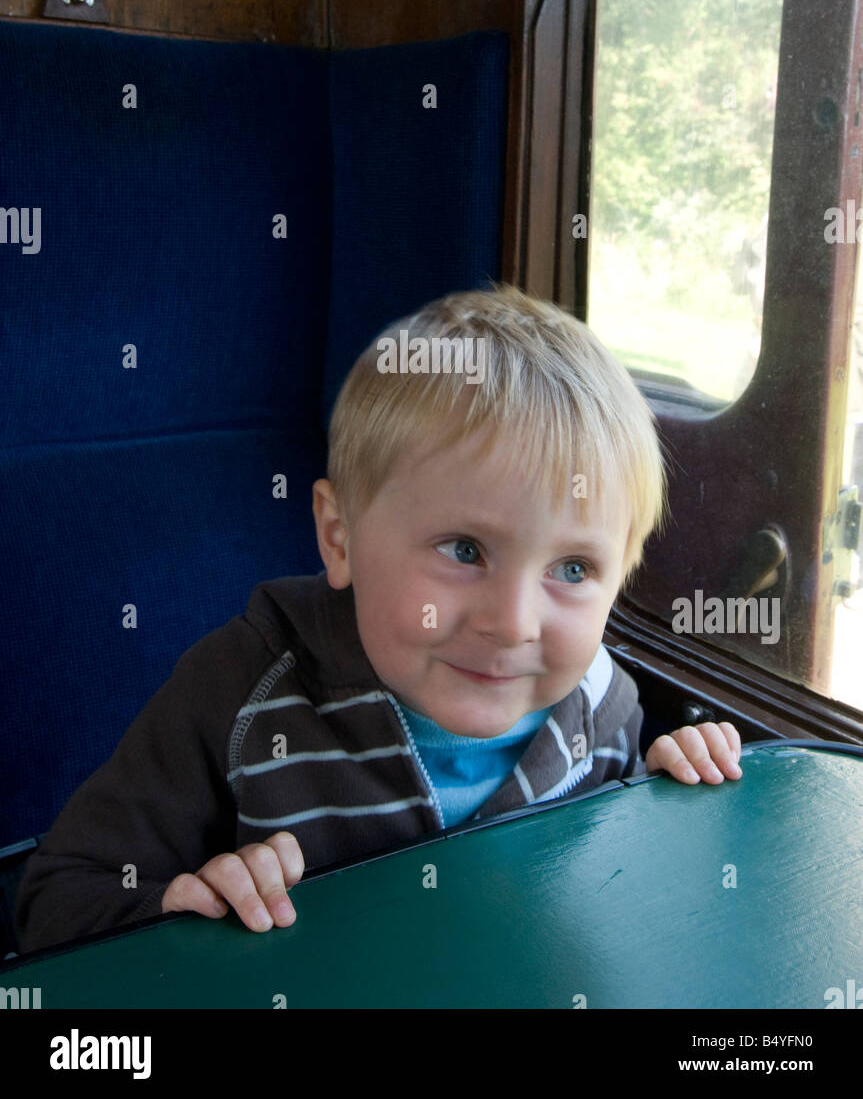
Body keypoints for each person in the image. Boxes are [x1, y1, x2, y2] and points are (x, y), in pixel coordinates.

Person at [15, 283, 741, 954]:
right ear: (341, 538)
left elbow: (595, 901)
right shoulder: (237, 693)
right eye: (464, 550)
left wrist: (661, 797)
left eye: (573, 570)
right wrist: (179, 911)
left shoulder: (602, 708)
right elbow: (56, 898)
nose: (513, 623)